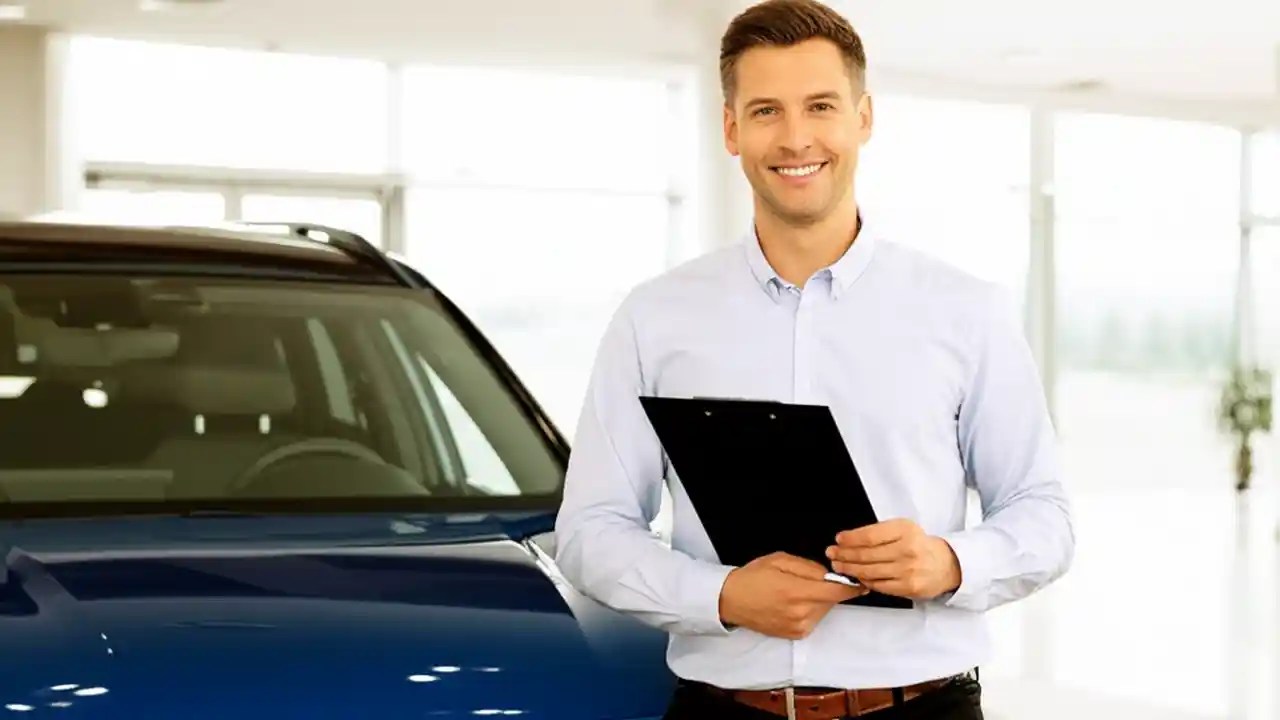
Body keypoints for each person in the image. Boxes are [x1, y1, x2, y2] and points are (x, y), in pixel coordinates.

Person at [553, 0, 1075, 717]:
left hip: (920, 706)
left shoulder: (966, 310)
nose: (796, 138)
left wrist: (949, 563)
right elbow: (590, 532)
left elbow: (1043, 517)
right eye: (766, 111)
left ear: (863, 118)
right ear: (732, 128)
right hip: (724, 709)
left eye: (820, 106)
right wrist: (723, 595)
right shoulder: (655, 317)